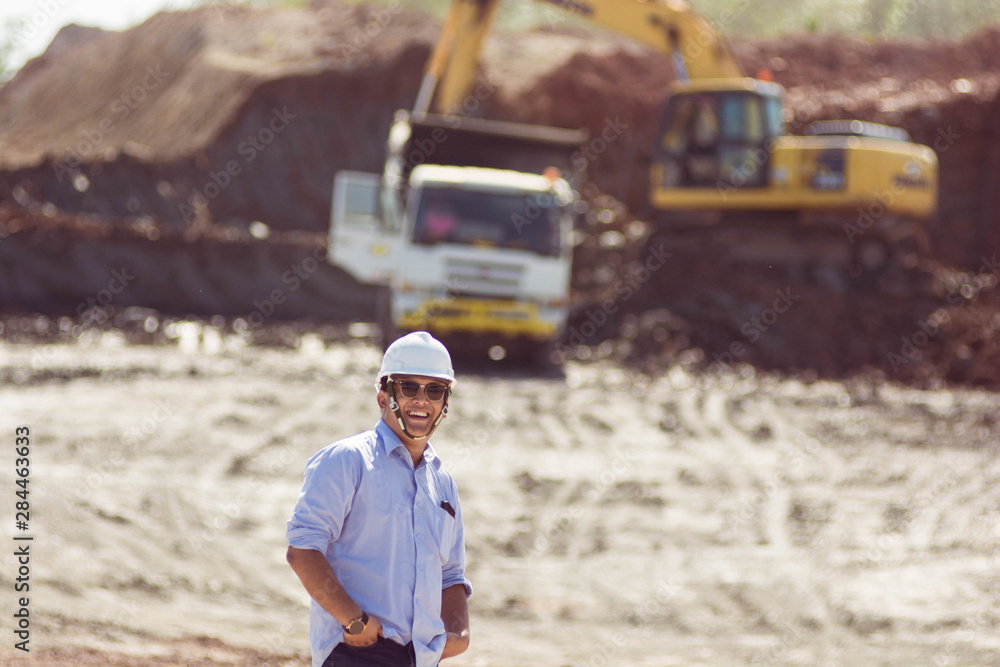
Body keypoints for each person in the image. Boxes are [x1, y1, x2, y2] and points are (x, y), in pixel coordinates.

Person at [286, 331, 472, 667]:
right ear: (383, 398)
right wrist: (354, 621)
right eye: (409, 388)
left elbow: (451, 575)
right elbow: (303, 550)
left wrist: (458, 636)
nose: (421, 400)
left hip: (418, 658)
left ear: (445, 404)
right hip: (356, 652)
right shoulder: (346, 460)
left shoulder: (443, 484)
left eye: (434, 390)